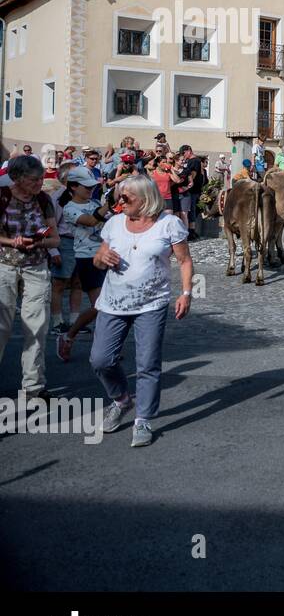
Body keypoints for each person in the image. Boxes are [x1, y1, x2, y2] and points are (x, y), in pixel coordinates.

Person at [87, 173, 192, 447]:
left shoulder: (169, 225)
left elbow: (184, 261)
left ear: (144, 199)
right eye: (119, 196)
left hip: (151, 303)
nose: (120, 201)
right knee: (100, 360)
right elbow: (98, 260)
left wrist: (186, 293)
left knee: (147, 363)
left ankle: (143, 419)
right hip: (114, 302)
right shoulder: (113, 224)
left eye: (125, 197)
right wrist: (101, 258)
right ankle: (122, 400)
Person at [0, 155, 60, 403]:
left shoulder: (44, 200)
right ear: (16, 178)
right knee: (1, 327)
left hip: (36, 266)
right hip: (4, 265)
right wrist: (11, 241)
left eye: (41, 179)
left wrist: (38, 241)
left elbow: (55, 238)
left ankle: (34, 387)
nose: (39, 184)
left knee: (36, 326)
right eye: (33, 180)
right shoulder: (2, 197)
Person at [55, 168, 112, 361]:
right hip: (87, 258)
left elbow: (108, 223)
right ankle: (69, 336)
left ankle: (105, 348)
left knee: (110, 305)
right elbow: (90, 221)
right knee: (100, 306)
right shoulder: (69, 208)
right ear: (73, 187)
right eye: (86, 186)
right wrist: (109, 204)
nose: (90, 189)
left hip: (105, 256)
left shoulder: (95, 202)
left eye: (92, 186)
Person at [175, 145, 204, 237]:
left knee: (190, 211)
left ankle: (191, 231)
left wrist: (186, 183)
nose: (183, 156)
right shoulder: (190, 161)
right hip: (190, 189)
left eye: (183, 153)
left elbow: (193, 174)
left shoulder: (195, 161)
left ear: (189, 151)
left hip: (192, 190)